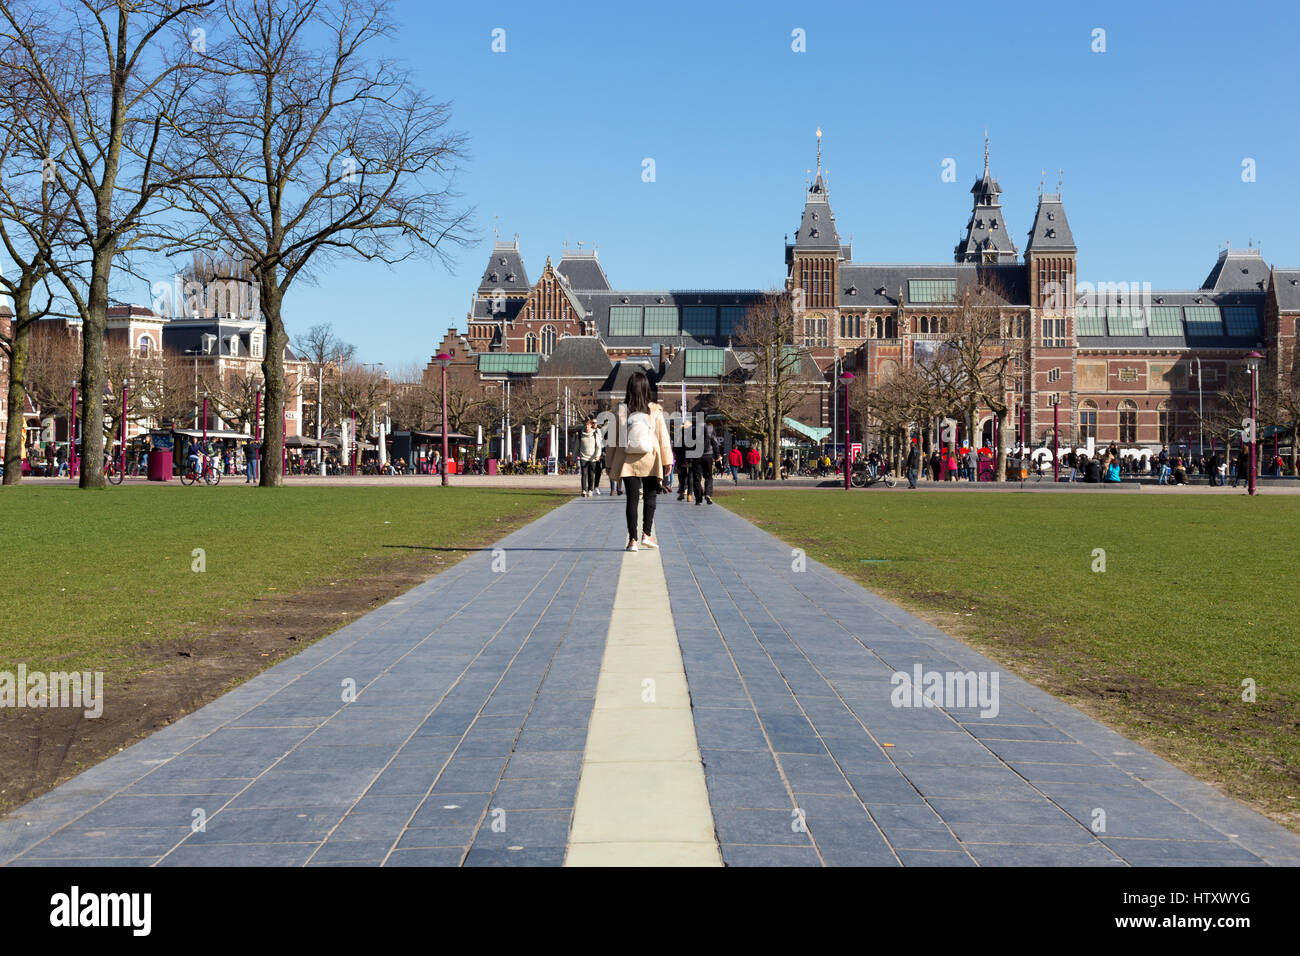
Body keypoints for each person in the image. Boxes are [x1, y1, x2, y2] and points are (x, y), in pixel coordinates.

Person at [609, 371, 673, 552]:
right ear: (646, 389)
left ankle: (632, 541)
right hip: (650, 458)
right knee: (650, 497)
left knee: (632, 499)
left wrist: (609, 462)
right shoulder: (655, 410)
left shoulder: (620, 410)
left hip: (627, 460)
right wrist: (668, 460)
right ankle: (646, 534)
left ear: (629, 389)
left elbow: (612, 440)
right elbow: (663, 438)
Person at [693, 419, 718, 505]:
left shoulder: (694, 429)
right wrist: (717, 454)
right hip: (708, 455)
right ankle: (708, 493)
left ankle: (698, 498)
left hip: (697, 455)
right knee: (709, 476)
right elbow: (714, 442)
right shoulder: (711, 429)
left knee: (697, 478)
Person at [578, 417, 602, 497]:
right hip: (583, 457)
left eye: (588, 425)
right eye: (585, 425)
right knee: (584, 474)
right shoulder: (581, 434)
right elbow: (576, 447)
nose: (586, 426)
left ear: (591, 425)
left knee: (591, 475)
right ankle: (584, 490)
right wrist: (573, 458)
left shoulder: (595, 434)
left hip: (592, 458)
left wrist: (598, 455)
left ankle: (590, 489)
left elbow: (598, 446)